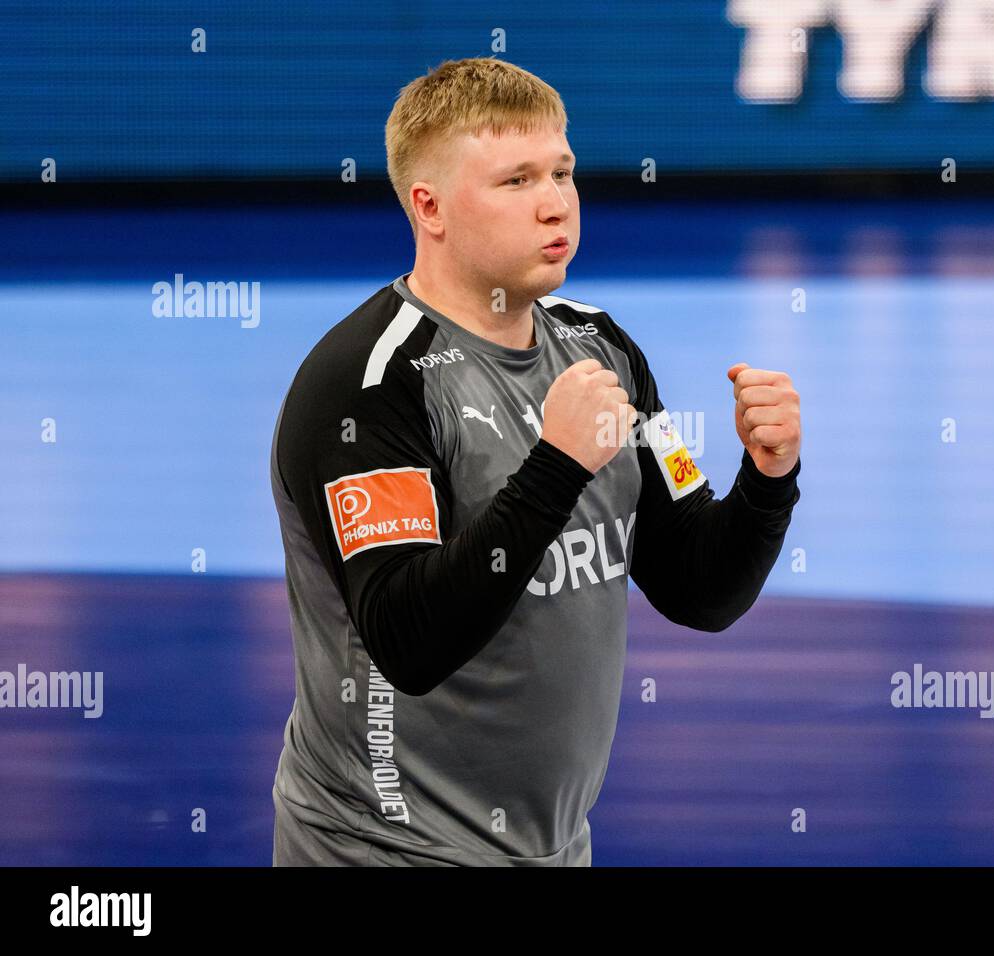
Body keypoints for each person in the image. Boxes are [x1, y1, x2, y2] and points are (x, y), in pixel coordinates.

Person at [268, 56, 802, 866]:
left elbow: (699, 587)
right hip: (382, 849)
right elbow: (407, 641)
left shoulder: (601, 348)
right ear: (430, 206)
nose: (555, 203)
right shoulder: (367, 386)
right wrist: (555, 465)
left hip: (553, 849)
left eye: (562, 171)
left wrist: (766, 480)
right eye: (515, 181)